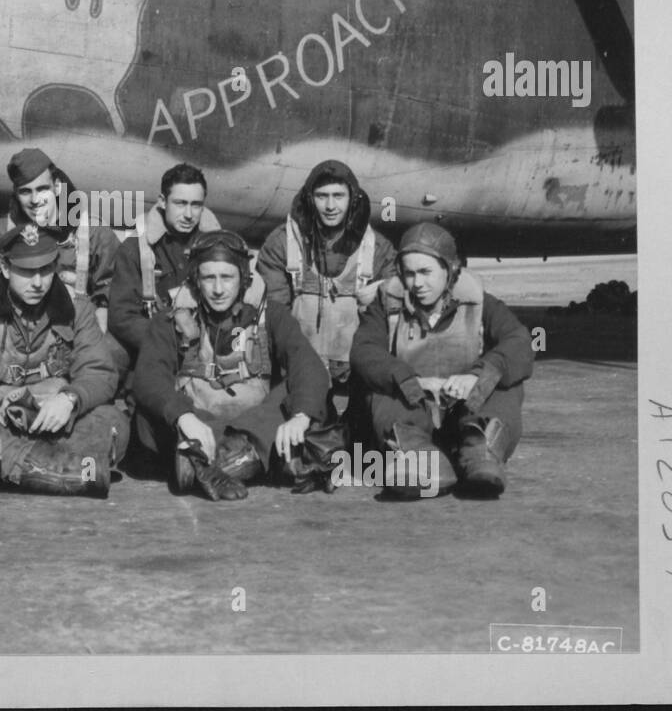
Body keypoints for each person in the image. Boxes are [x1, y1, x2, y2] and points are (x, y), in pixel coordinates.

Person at [0, 223, 128, 497]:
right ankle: (65, 473)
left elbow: (100, 371)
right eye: (27, 272)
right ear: (6, 269)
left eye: (46, 270)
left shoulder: (78, 308)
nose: (38, 282)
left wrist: (71, 399)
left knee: (113, 421)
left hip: (54, 418)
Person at [132, 230, 333, 501]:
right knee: (147, 412)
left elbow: (306, 363)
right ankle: (237, 461)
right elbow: (149, 376)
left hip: (252, 424)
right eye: (208, 278)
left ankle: (205, 463)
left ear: (244, 278)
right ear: (195, 280)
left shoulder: (271, 315)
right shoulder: (172, 318)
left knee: (308, 398)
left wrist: (300, 417)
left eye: (227, 277)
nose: (217, 289)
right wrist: (184, 417)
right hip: (196, 422)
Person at [349, 223, 533, 499]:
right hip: (413, 411)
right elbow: (364, 352)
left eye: (426, 272)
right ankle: (418, 458)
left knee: (505, 378)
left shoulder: (481, 303)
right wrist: (411, 380)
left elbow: (519, 342)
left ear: (449, 270)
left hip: (465, 412)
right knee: (377, 386)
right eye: (409, 274)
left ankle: (480, 450)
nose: (417, 283)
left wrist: (477, 376)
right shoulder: (386, 305)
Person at [257, 160, 397, 407]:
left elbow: (389, 322)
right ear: (310, 199)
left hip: (358, 375)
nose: (331, 206)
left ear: (352, 199)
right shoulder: (283, 243)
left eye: (338, 196)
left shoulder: (376, 248)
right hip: (299, 374)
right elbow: (275, 316)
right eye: (322, 196)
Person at [0, 148, 122, 331]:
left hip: (79, 326)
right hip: (19, 330)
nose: (35, 200)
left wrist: (102, 307)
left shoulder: (93, 233)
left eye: (42, 189)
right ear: (15, 193)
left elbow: (114, 288)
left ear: (57, 186)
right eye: (25, 192)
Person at [107, 161, 221, 366]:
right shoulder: (135, 249)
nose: (188, 214)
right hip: (156, 345)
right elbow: (122, 318)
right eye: (180, 203)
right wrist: (169, 340)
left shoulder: (219, 249)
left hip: (208, 346)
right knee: (110, 352)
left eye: (196, 205)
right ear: (162, 201)